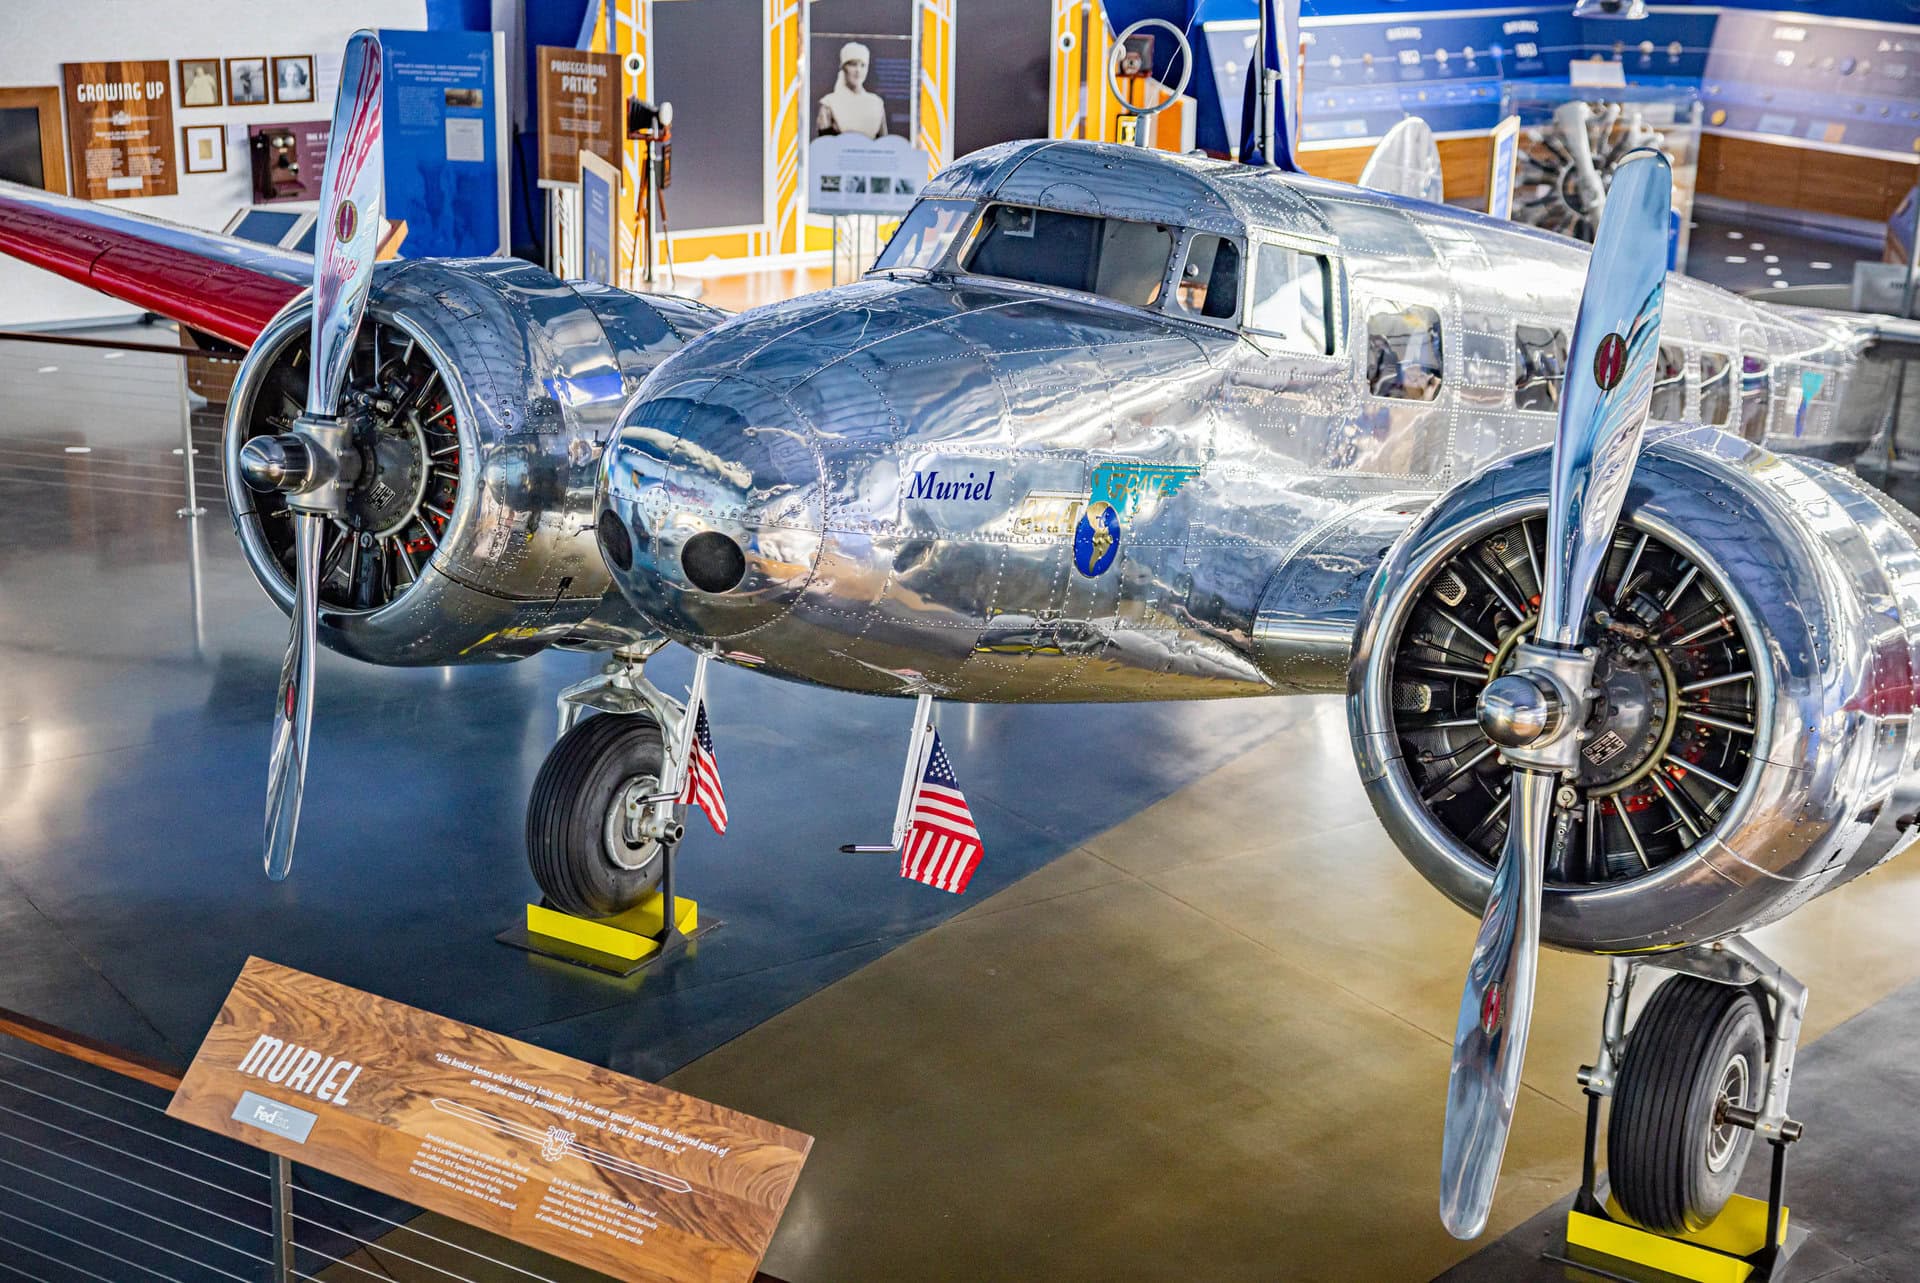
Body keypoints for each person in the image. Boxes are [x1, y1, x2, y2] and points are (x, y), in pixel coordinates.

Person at [816, 42, 886, 139]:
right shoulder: (829, 104)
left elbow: (883, 143)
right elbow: (824, 146)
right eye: (853, 64)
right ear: (843, 68)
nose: (858, 70)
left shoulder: (876, 103)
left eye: (863, 65)